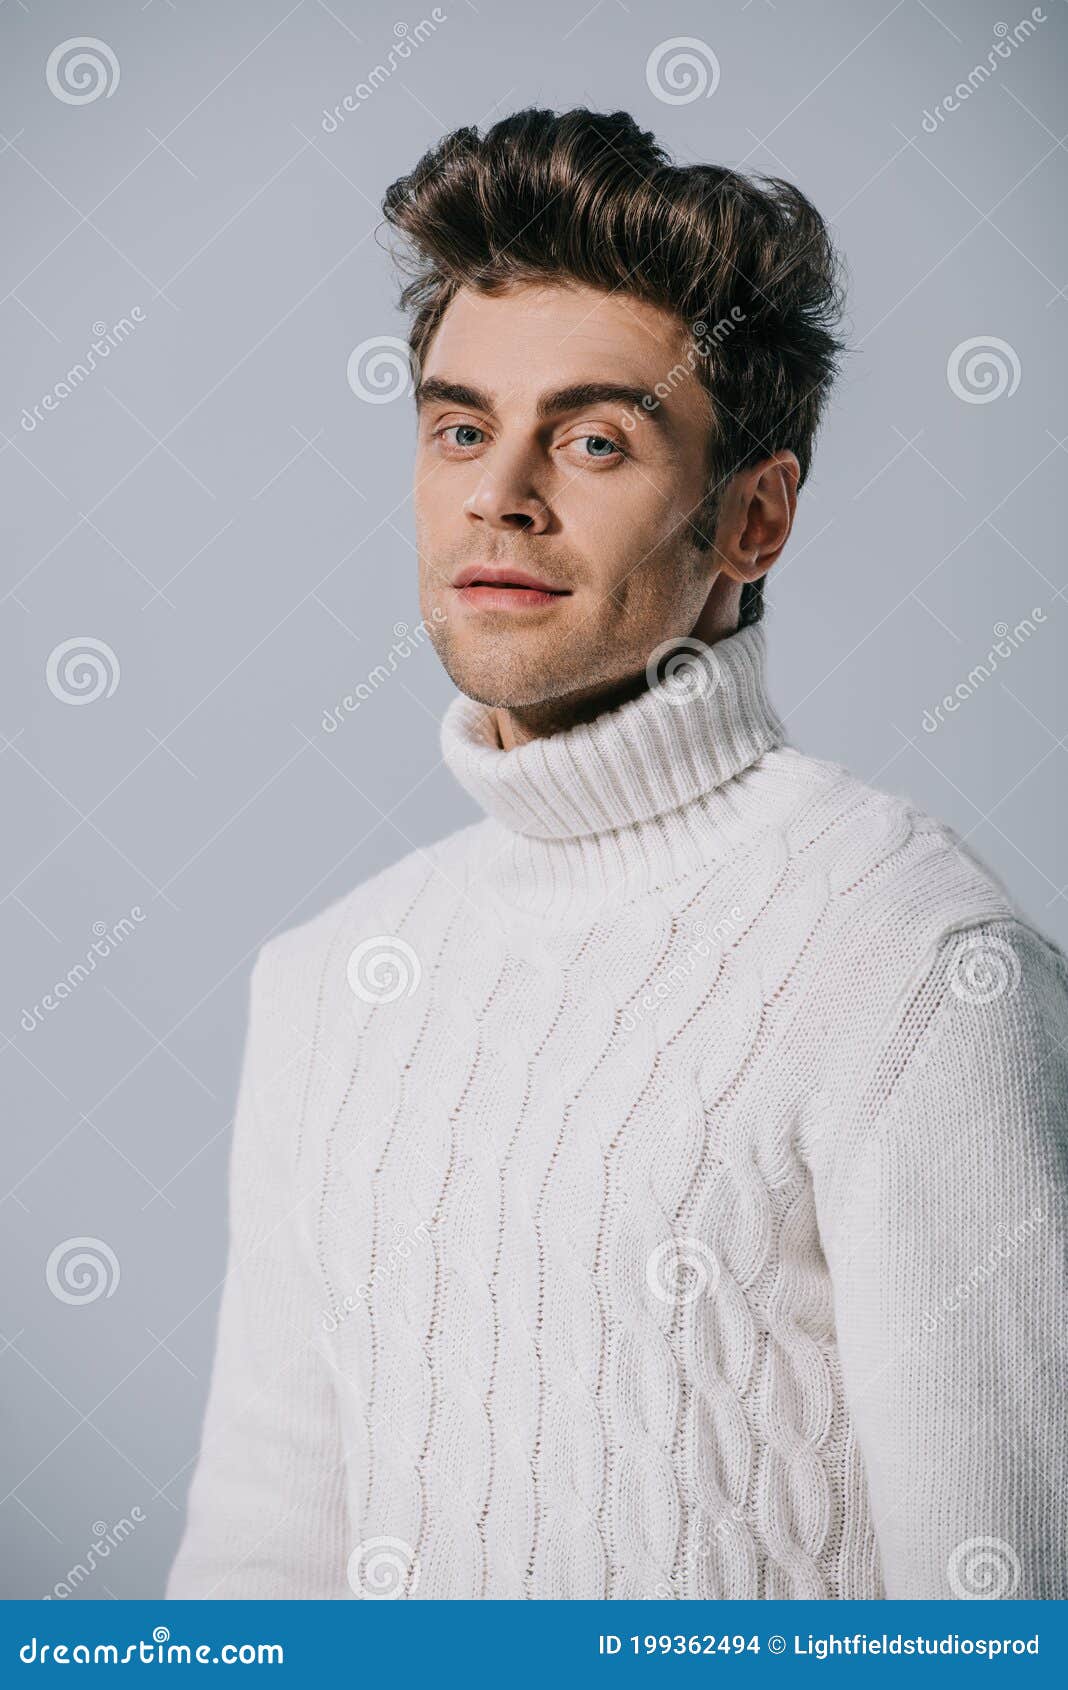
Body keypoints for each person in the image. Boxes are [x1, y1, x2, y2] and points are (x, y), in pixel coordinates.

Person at [166, 107, 1068, 1602]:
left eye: (594, 440)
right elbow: (257, 1577)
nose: (498, 493)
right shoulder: (328, 983)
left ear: (756, 516)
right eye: (461, 426)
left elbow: (1010, 1609)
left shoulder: (908, 960)